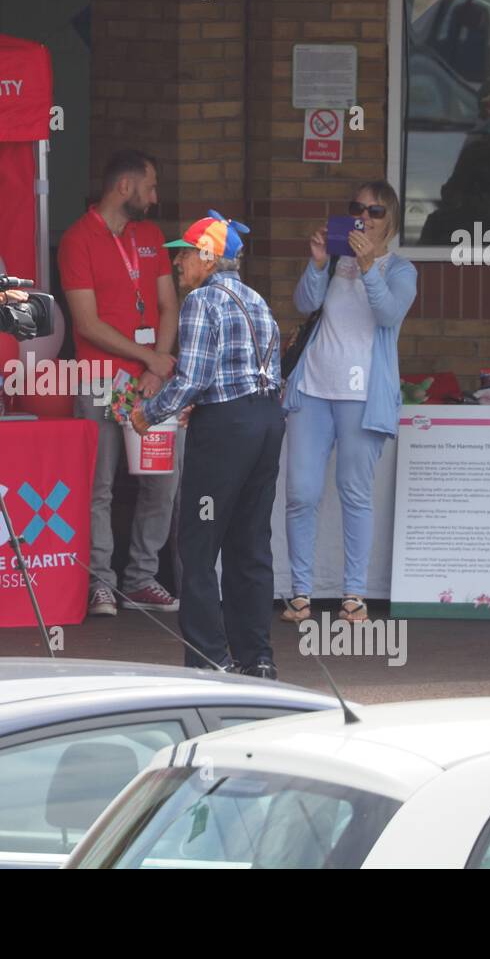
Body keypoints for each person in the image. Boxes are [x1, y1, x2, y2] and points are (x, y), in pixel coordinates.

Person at [131, 211, 282, 678]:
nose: (178, 265)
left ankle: (208, 660)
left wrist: (147, 413)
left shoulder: (202, 301)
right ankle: (256, 659)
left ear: (207, 257)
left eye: (184, 256)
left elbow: (193, 376)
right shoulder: (257, 301)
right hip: (266, 421)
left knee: (198, 546)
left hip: (224, 433)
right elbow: (250, 372)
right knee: (250, 544)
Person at [283, 180, 417, 624]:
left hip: (363, 397)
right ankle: (300, 592)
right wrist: (319, 264)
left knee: (354, 494)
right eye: (357, 208)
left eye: (375, 212)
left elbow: (389, 314)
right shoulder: (336, 262)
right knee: (301, 492)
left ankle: (353, 595)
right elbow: (304, 302)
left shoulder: (400, 271)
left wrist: (367, 266)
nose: (364, 216)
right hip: (314, 389)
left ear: (390, 223)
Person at [59, 149, 181, 616]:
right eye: (149, 187)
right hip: (99, 378)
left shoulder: (151, 236)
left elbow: (169, 304)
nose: (154, 198)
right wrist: (149, 356)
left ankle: (142, 578)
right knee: (99, 484)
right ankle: (100, 583)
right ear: (124, 187)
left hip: (150, 381)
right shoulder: (77, 239)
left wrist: (156, 366)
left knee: (161, 481)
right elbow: (87, 323)